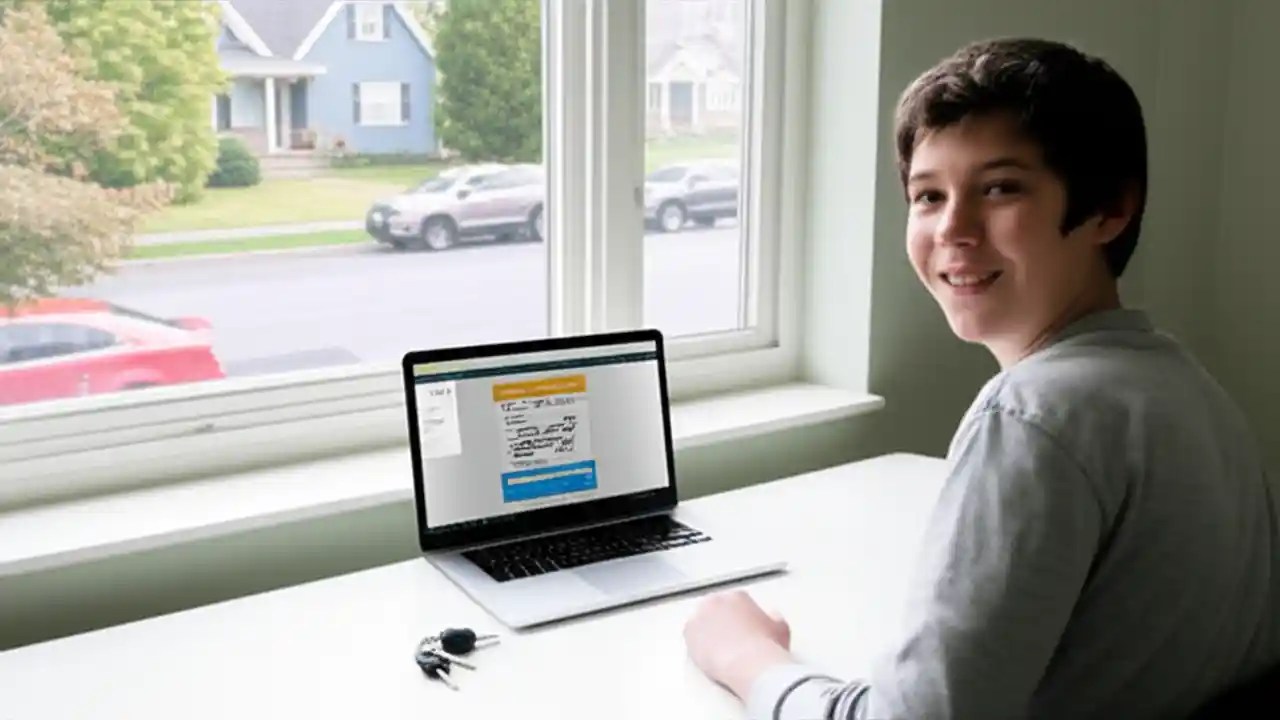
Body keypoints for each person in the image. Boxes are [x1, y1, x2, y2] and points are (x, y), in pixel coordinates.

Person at [682, 37, 1279, 720]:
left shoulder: (1033, 413)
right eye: (928, 195)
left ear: (1109, 209)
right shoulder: (1180, 382)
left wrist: (748, 659)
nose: (953, 230)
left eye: (999, 188)